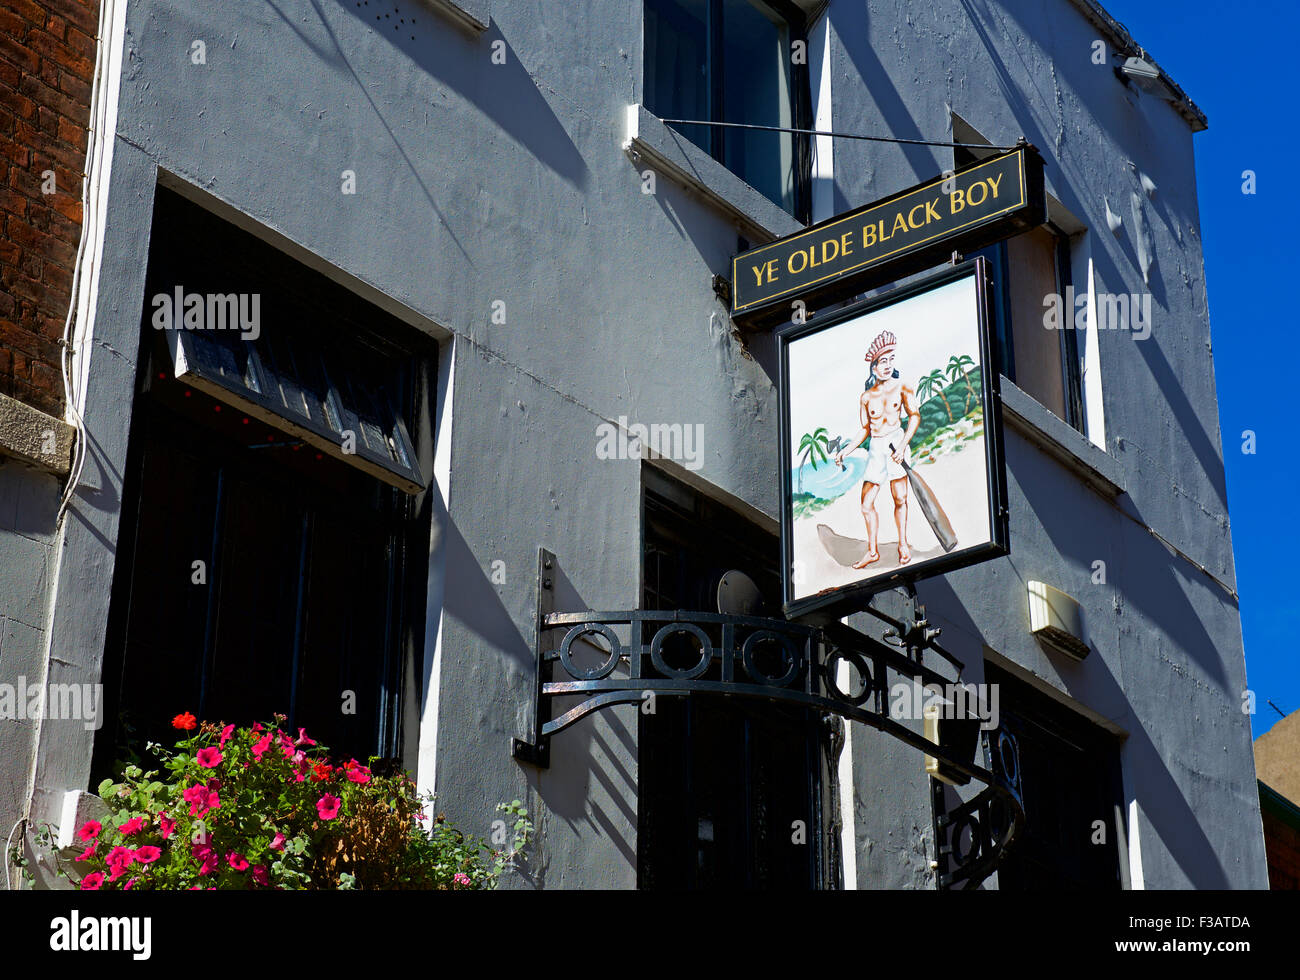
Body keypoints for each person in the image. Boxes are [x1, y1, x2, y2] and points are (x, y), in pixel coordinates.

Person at [834, 330, 920, 567]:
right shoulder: (866, 397)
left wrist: (903, 446)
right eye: (883, 361)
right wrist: (845, 451)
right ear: (874, 367)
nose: (888, 365)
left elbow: (914, 416)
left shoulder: (902, 386)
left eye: (891, 359)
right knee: (866, 503)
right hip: (876, 449)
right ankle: (873, 550)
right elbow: (865, 430)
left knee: (900, 498)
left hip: (896, 442)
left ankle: (903, 544)